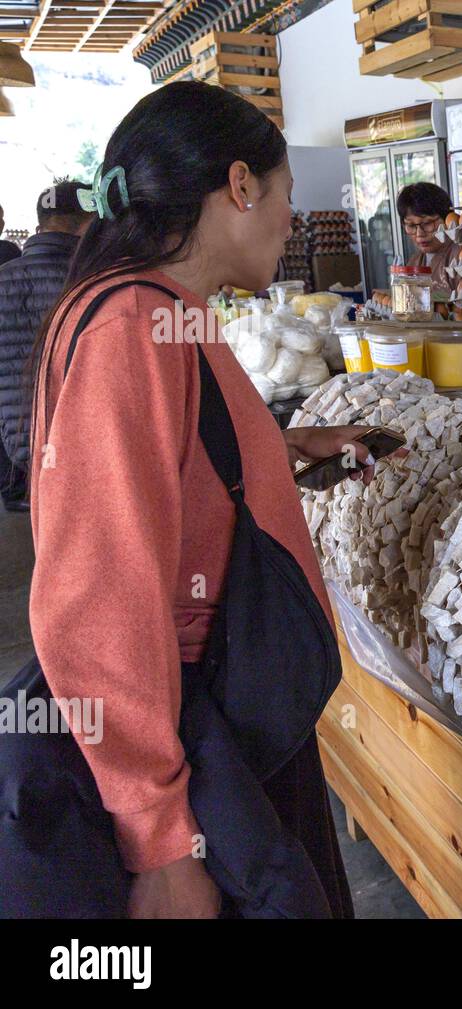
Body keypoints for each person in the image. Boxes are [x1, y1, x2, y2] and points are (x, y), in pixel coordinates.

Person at [23, 82, 383, 918]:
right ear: (240, 185)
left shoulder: (160, 311)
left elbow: (166, 474)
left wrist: (284, 451)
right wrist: (160, 835)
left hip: (216, 723)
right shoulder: (132, 330)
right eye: (289, 194)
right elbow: (96, 593)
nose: (294, 220)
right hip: (191, 735)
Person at [0, 180, 93, 513]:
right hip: (82, 441)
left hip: (16, 440)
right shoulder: (93, 281)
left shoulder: (3, 277)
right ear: (87, 222)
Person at [396, 181, 456, 294]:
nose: (419, 233)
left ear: (448, 219)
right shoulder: (414, 262)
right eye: (411, 225)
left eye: (427, 223)